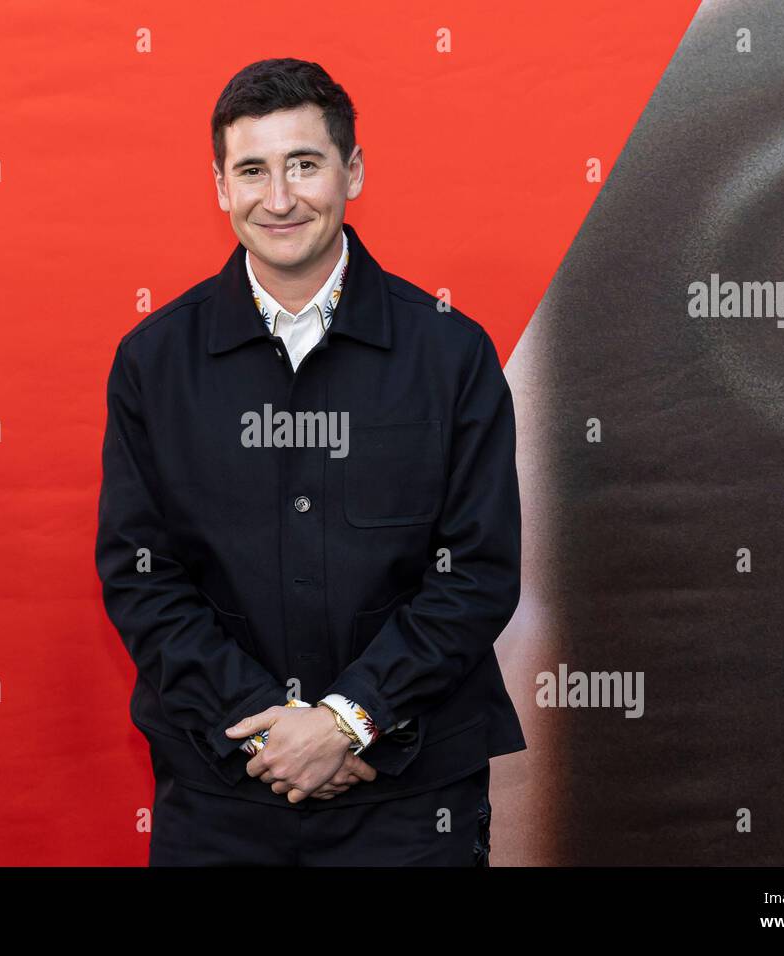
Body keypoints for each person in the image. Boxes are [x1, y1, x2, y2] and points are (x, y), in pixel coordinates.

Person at [95, 57, 526, 866]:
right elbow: (141, 577)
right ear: (221, 186)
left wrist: (346, 720)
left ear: (352, 172)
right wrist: (272, 734)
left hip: (412, 796)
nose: (280, 198)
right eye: (252, 170)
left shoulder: (452, 353)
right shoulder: (153, 363)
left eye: (305, 164)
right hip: (221, 796)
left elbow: (476, 572)